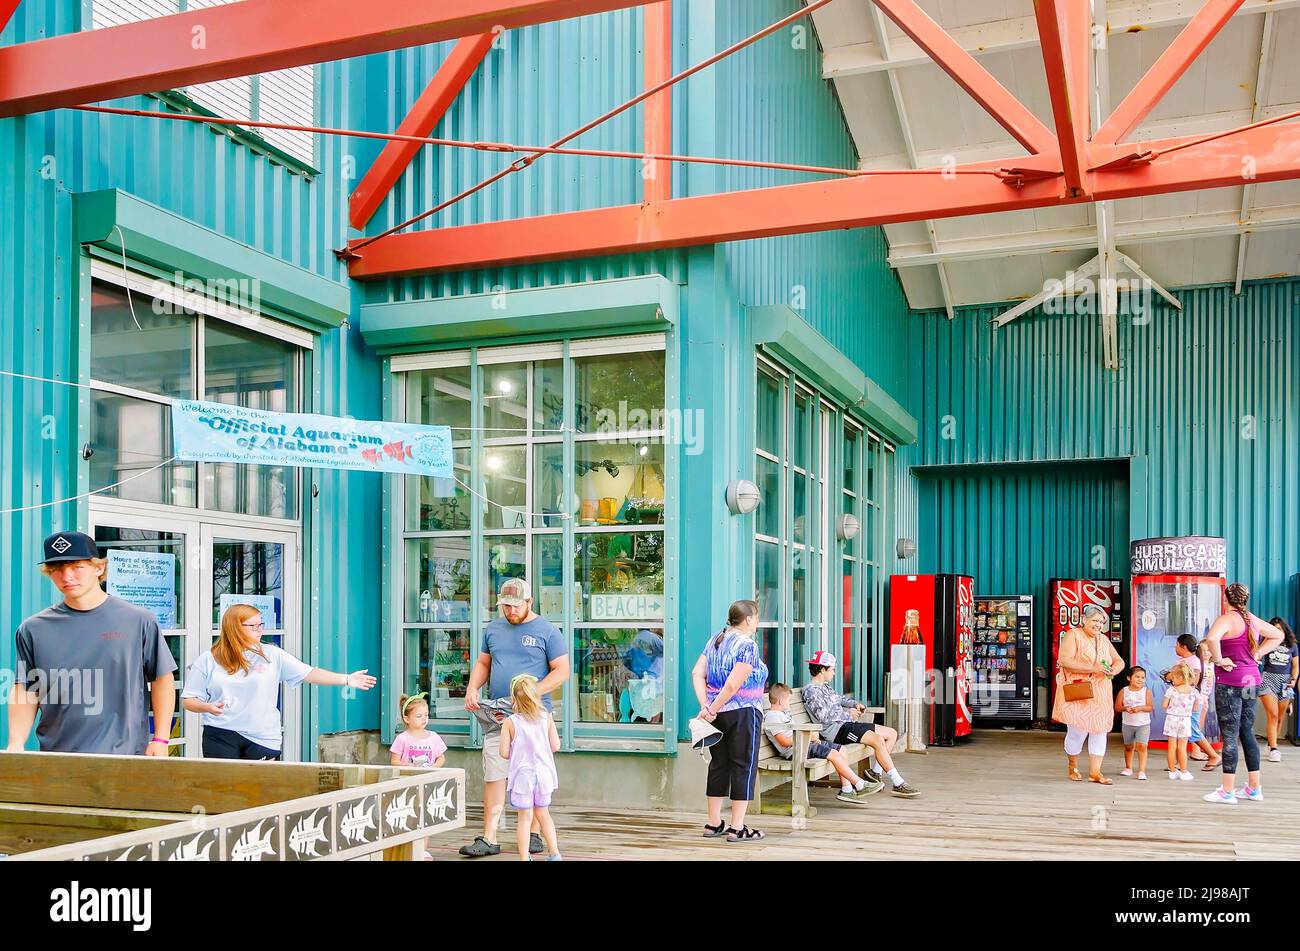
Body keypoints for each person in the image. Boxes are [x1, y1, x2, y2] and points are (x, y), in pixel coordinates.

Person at [7, 532, 177, 756]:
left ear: (99, 568)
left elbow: (162, 679)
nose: (66, 576)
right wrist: (16, 741)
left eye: (77, 566)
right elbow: (27, 689)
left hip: (125, 755)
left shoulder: (138, 621)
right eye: (57, 569)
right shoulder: (33, 629)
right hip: (58, 756)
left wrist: (161, 739)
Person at [461, 578, 569, 858]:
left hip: (533, 715)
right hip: (498, 713)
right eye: (505, 606)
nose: (509, 611)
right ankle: (489, 837)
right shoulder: (493, 628)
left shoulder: (547, 631)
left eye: (515, 606)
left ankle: (533, 833)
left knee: (533, 771)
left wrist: (531, 692)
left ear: (529, 602)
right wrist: (472, 687)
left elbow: (562, 670)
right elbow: (484, 663)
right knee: (495, 770)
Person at [182, 603, 375, 760]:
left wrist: (347, 679)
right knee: (222, 792)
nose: (259, 630)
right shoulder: (208, 659)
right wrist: (208, 707)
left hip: (262, 738)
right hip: (220, 734)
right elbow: (188, 700)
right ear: (234, 628)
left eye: (261, 625)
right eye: (253, 626)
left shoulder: (272, 655)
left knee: (259, 794)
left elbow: (309, 673)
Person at [691, 599, 769, 843]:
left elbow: (697, 673)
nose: (757, 622)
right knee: (743, 765)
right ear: (747, 620)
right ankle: (737, 826)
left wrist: (707, 707)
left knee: (719, 764)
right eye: (756, 617)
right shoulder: (748, 645)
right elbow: (733, 684)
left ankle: (713, 823)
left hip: (717, 714)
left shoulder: (716, 639)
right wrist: (712, 707)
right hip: (743, 711)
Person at [1202, 583, 1285, 805]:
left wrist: (1219, 660)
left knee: (1229, 735)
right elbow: (1278, 635)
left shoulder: (1227, 618)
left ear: (1225, 598)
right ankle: (1253, 787)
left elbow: (1211, 639)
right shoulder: (1251, 619)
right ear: (1246, 599)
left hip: (1231, 681)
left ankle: (1227, 791)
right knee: (1246, 732)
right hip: (1252, 681)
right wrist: (1258, 652)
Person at [802, 650, 920, 798]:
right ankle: (898, 782)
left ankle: (875, 773)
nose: (834, 673)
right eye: (832, 669)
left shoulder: (824, 687)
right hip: (837, 730)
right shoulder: (811, 691)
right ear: (822, 669)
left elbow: (839, 699)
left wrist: (855, 704)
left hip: (846, 725)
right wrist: (848, 714)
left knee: (891, 734)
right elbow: (823, 716)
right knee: (877, 740)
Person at [763, 682, 882, 803]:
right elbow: (784, 742)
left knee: (841, 750)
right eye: (788, 700)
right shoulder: (773, 717)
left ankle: (846, 790)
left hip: (804, 745)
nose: (789, 703)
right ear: (780, 701)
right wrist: (808, 737)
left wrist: (811, 736)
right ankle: (860, 784)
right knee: (834, 754)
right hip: (796, 750)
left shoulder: (781, 715)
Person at [1052, 602, 1124, 784]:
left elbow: (1119, 661)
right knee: (1078, 732)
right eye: (1094, 620)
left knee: (1100, 731)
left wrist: (1113, 670)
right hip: (1079, 690)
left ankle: (1095, 773)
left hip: (1101, 691)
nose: (1098, 625)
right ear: (1084, 620)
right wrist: (1092, 668)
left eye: (1101, 622)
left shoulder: (1104, 639)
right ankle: (1073, 766)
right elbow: (1064, 660)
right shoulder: (1073, 635)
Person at [499, 674, 561, 862]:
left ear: (513, 700)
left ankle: (525, 858)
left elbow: (503, 752)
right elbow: (556, 746)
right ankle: (554, 853)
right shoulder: (546, 718)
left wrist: (517, 752)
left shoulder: (510, 723)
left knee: (524, 819)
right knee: (544, 814)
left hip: (522, 777)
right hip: (544, 776)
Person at [1260, 617, 1297, 762]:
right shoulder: (1266, 642)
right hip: (1269, 678)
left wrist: (1293, 680)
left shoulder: (1292, 645)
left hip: (1286, 681)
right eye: (1273, 629)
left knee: (1280, 717)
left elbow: (1295, 666)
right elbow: (1257, 654)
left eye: (1279, 629)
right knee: (1273, 715)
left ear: (1284, 630)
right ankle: (1274, 749)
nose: (1276, 631)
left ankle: (1271, 743)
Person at [1161, 663, 1201, 781]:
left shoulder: (1171, 691)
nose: (1172, 680)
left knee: (1171, 746)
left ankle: (1172, 771)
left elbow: (1164, 705)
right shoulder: (1194, 692)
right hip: (1185, 720)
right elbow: (1195, 709)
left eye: (1173, 678)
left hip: (1171, 719)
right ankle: (1183, 771)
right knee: (1182, 747)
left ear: (1179, 677)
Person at [390, 693, 448, 768]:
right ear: (407, 719)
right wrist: (409, 766)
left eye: (426, 715)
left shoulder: (434, 737)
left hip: (428, 778)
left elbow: (441, 758)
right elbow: (394, 761)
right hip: (408, 777)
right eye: (419, 716)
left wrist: (433, 767)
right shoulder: (401, 738)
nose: (424, 718)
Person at [1115, 666, 1152, 780]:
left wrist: (1140, 708)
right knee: (1128, 746)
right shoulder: (1124, 691)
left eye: (1143, 677)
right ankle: (1128, 768)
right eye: (1137, 677)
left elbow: (1150, 707)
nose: (1140, 679)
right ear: (1129, 678)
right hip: (1128, 724)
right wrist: (1126, 708)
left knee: (1142, 747)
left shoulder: (1146, 691)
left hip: (1143, 724)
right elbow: (1117, 707)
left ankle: (1141, 771)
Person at [1193, 640, 1221, 770]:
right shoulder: (1199, 664)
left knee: (1199, 724)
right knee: (1196, 725)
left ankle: (1198, 749)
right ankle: (1195, 751)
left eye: (1209, 650)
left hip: (1205, 697)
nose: (1206, 653)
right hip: (1198, 698)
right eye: (1203, 650)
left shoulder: (1212, 664)